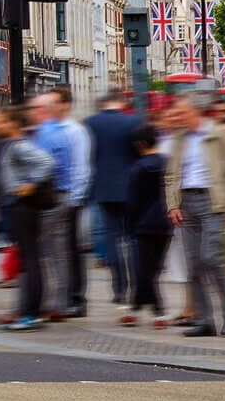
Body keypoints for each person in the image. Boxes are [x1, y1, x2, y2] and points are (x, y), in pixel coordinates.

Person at [164, 92, 225, 338]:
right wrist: (173, 205)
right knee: (193, 264)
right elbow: (172, 174)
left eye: (182, 113)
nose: (177, 117)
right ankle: (205, 320)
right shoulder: (179, 138)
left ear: (195, 112)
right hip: (187, 202)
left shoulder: (218, 135)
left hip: (212, 201)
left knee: (210, 257)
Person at [0, 104, 55, 332]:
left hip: (23, 208)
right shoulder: (11, 145)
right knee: (26, 261)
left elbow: (47, 162)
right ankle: (25, 310)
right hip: (17, 207)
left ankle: (31, 315)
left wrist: (30, 185)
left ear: (12, 124)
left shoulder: (19, 146)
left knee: (30, 261)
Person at [25, 90, 81, 319]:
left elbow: (42, 168)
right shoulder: (59, 132)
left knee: (42, 253)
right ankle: (61, 303)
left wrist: (27, 185)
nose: (30, 112)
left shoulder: (45, 135)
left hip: (49, 200)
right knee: (60, 253)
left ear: (42, 111)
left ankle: (47, 302)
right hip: (62, 196)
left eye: (33, 108)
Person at [84, 89, 142, 310]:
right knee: (133, 240)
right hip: (131, 189)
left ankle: (119, 288)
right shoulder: (133, 121)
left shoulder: (91, 123)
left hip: (104, 189)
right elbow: (140, 156)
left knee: (112, 239)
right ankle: (137, 286)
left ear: (104, 102)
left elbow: (89, 157)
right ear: (121, 102)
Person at [123, 122, 172, 328]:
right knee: (154, 268)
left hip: (144, 224)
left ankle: (158, 312)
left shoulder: (138, 168)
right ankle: (134, 308)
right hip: (166, 221)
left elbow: (134, 200)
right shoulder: (168, 162)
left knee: (145, 270)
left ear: (140, 144)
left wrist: (129, 224)